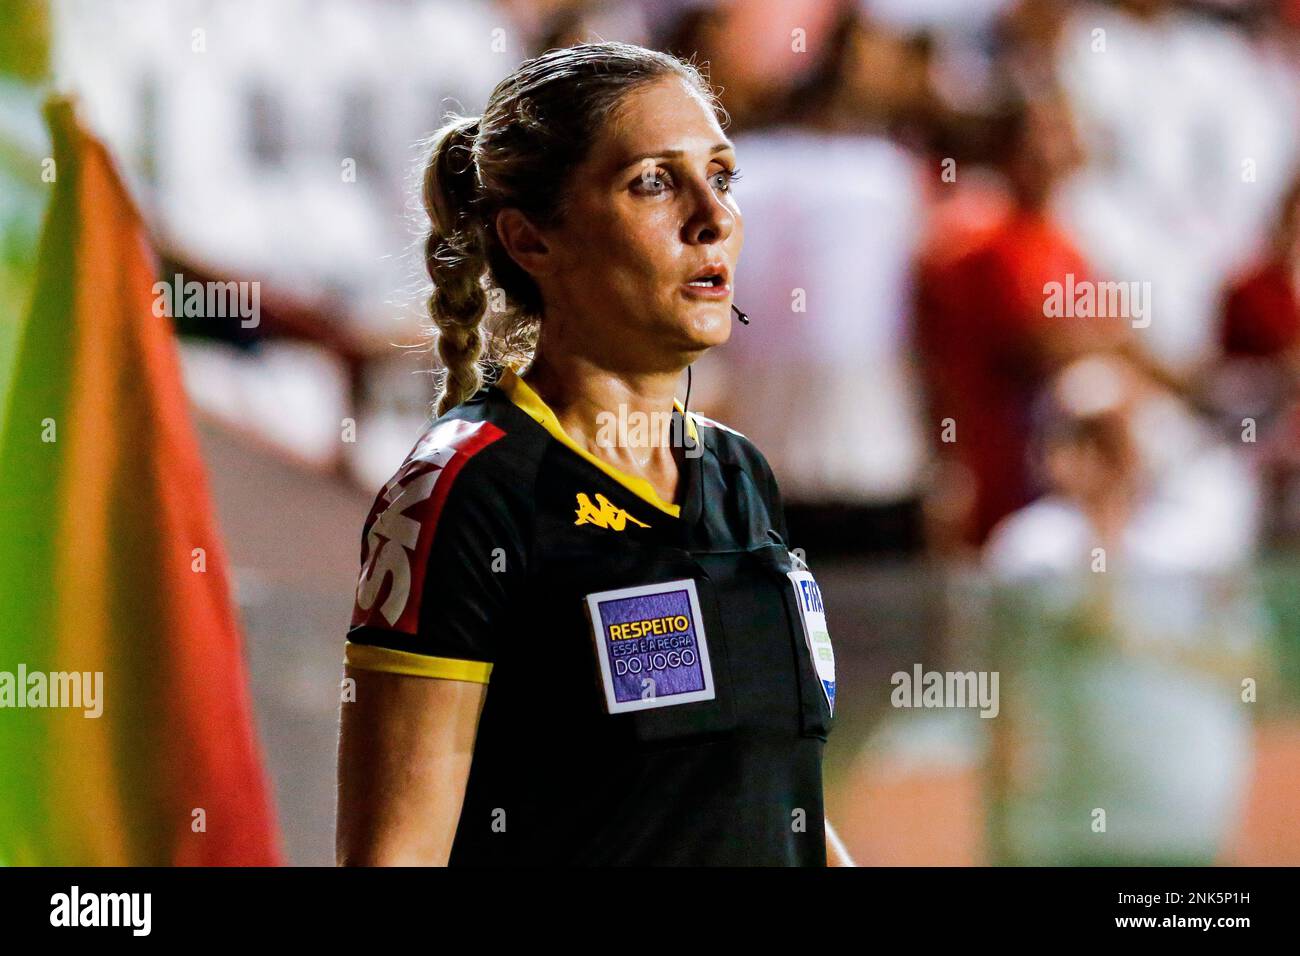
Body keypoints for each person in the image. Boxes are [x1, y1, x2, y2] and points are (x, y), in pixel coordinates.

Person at [335, 42, 851, 866]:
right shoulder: (468, 489)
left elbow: (766, 796)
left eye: (720, 176)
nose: (711, 217)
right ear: (532, 240)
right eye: (653, 180)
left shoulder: (738, 475)